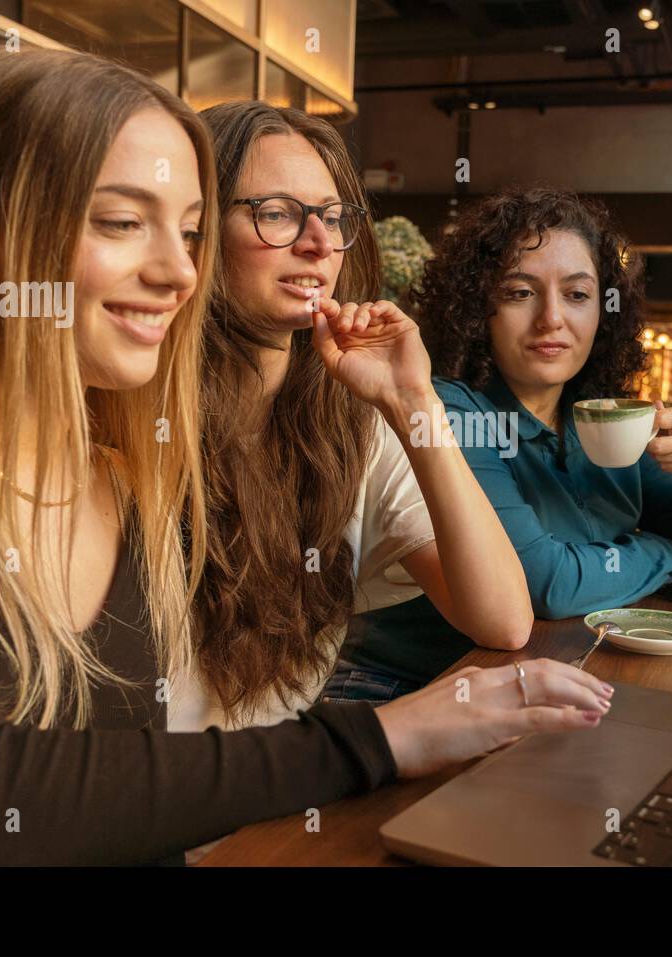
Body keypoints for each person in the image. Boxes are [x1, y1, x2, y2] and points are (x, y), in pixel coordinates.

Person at [0, 48, 610, 866]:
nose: (177, 272)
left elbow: (115, 792)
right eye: (123, 221)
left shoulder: (111, 473)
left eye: (188, 231)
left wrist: (415, 407)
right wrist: (379, 737)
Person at [175, 102, 533, 727]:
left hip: (290, 782)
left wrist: (412, 399)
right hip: (169, 796)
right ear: (194, 227)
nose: (319, 244)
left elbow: (502, 618)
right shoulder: (135, 419)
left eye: (334, 219)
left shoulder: (352, 427)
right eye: (277, 213)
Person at [402, 186, 672, 627]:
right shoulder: (452, 414)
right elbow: (546, 586)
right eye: (520, 292)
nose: (551, 318)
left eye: (576, 295)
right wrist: (669, 552)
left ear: (603, 311)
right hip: (430, 676)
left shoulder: (608, 416)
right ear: (478, 307)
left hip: (562, 668)